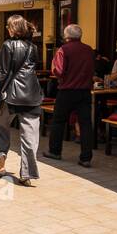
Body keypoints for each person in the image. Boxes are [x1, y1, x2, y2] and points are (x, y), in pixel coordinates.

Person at [0, 16, 43, 186]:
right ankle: (27, 175)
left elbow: (2, 72)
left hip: (11, 95)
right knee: (30, 136)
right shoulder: (33, 47)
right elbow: (35, 69)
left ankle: (1, 165)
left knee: (2, 128)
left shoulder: (7, 45)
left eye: (8, 26)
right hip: (32, 95)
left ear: (13, 28)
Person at [43, 24, 95, 167]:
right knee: (85, 124)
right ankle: (86, 157)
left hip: (67, 91)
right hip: (84, 91)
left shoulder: (63, 50)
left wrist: (53, 66)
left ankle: (55, 151)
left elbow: (58, 71)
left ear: (66, 36)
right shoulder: (89, 50)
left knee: (59, 121)